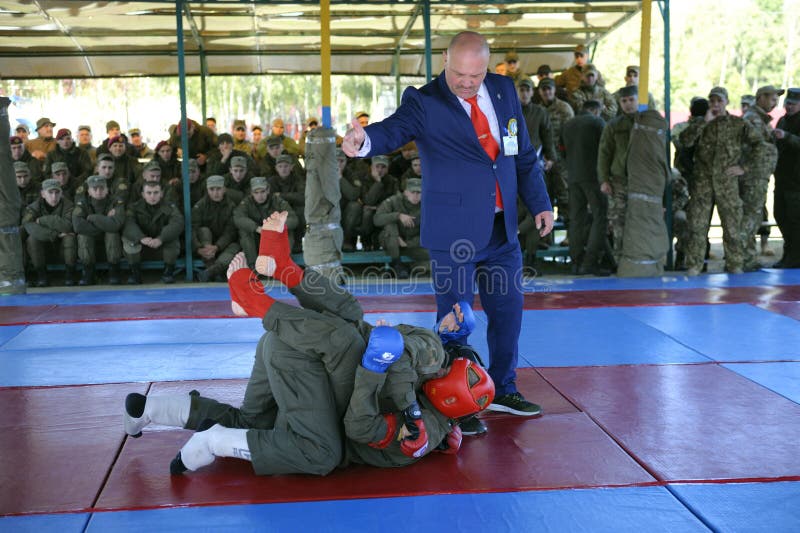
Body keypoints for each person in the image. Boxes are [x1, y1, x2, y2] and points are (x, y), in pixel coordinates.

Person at [123, 212, 491, 475]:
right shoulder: (429, 376)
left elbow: (361, 427)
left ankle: (184, 421)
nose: (444, 366)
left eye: (451, 367)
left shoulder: (420, 430)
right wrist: (443, 334)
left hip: (295, 353)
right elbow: (406, 353)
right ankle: (284, 269)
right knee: (350, 314)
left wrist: (377, 371)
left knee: (317, 438)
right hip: (297, 354)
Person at [342, 31, 553, 434]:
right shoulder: (424, 101)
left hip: (501, 229)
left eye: (476, 75)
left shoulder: (505, 91)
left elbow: (521, 153)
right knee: (456, 321)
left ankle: (504, 389)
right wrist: (364, 140)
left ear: (487, 67)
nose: (467, 83)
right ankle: (459, 406)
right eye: (459, 74)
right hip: (453, 233)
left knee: (508, 312)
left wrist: (540, 202)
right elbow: (392, 130)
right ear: (444, 60)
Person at [680, 86, 761, 275]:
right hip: (703, 183)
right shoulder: (700, 122)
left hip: (727, 183)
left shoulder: (737, 124)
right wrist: (703, 123)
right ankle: (694, 265)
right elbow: (685, 141)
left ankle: (735, 265)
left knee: (732, 227)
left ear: (726, 102)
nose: (716, 105)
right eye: (712, 101)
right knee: (697, 226)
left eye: (719, 101)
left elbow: (761, 146)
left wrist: (744, 167)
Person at [561, 100, 611, 275]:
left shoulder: (568, 124)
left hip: (573, 177)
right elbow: (606, 149)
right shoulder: (597, 122)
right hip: (593, 177)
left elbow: (562, 151)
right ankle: (590, 262)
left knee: (576, 219)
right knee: (600, 216)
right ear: (596, 110)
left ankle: (576, 261)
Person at [740, 85, 782, 271]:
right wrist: (746, 168)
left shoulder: (761, 119)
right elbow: (754, 147)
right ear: (761, 98)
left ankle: (745, 256)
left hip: (758, 176)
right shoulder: (753, 119)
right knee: (750, 217)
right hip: (752, 177)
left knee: (753, 216)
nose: (776, 103)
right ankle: (744, 258)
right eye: (772, 99)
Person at [598, 85, 638, 263]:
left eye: (631, 100)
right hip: (619, 180)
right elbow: (604, 153)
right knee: (618, 222)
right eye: (624, 101)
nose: (628, 104)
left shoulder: (646, 124)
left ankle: (638, 258)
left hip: (642, 180)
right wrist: (604, 180)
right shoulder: (614, 125)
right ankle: (620, 260)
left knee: (639, 221)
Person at [122, 181, 183, 284]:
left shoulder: (170, 207)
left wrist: (161, 238)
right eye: (149, 193)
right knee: (129, 240)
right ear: (143, 194)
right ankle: (135, 273)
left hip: (161, 246)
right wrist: (141, 238)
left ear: (161, 194)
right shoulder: (134, 207)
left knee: (173, 238)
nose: (152, 196)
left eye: (156, 192)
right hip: (142, 247)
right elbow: (128, 224)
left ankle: (168, 272)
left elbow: (177, 223)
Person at [22, 178, 76, 287]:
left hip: (62, 247)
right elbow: (29, 226)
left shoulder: (69, 206)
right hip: (43, 246)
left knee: (70, 238)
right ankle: (41, 274)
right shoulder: (33, 207)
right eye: (50, 192)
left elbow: (68, 226)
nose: (54, 197)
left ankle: (69, 274)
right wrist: (55, 234)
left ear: (62, 193)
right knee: (32, 239)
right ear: (43, 194)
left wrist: (43, 220)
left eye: (57, 192)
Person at [72, 175, 125, 285]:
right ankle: (88, 271)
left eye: (101, 188)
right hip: (91, 236)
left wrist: (92, 218)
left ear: (107, 189)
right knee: (83, 235)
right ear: (89, 191)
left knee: (112, 233)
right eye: (94, 189)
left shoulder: (116, 202)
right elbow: (78, 226)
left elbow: (116, 225)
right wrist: (106, 223)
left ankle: (114, 270)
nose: (98, 191)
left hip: (109, 238)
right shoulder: (82, 203)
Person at [233, 177, 297, 269]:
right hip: (257, 237)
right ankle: (254, 267)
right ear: (251, 193)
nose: (260, 195)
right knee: (245, 231)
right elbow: (238, 218)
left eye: (262, 191)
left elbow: (293, 219)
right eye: (256, 192)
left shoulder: (277, 201)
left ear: (268, 190)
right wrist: (256, 228)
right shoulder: (247, 203)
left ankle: (281, 265)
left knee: (288, 232)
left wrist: (277, 227)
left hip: (274, 236)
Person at [374, 177, 429, 278]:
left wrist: (408, 243)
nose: (416, 196)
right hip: (390, 240)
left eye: (419, 192)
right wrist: (398, 216)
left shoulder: (426, 206)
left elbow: (429, 233)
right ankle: (397, 264)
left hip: (410, 244)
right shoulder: (393, 201)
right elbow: (377, 219)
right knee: (391, 224)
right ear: (406, 192)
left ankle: (406, 268)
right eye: (413, 192)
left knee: (435, 261)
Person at [191, 175, 241, 282]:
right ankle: (215, 271)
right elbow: (193, 229)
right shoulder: (200, 206)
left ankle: (211, 271)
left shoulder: (231, 206)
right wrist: (198, 248)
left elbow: (230, 231)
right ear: (207, 190)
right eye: (212, 189)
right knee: (204, 231)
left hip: (223, 245)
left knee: (235, 246)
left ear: (224, 189)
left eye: (218, 189)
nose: (215, 193)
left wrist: (217, 246)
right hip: (206, 245)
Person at [772, 88, 800, 268]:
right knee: (780, 215)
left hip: (797, 181)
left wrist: (787, 137)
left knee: (795, 220)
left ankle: (794, 257)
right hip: (782, 178)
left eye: (792, 104)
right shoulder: (782, 120)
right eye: (787, 103)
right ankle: (789, 254)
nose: (788, 106)